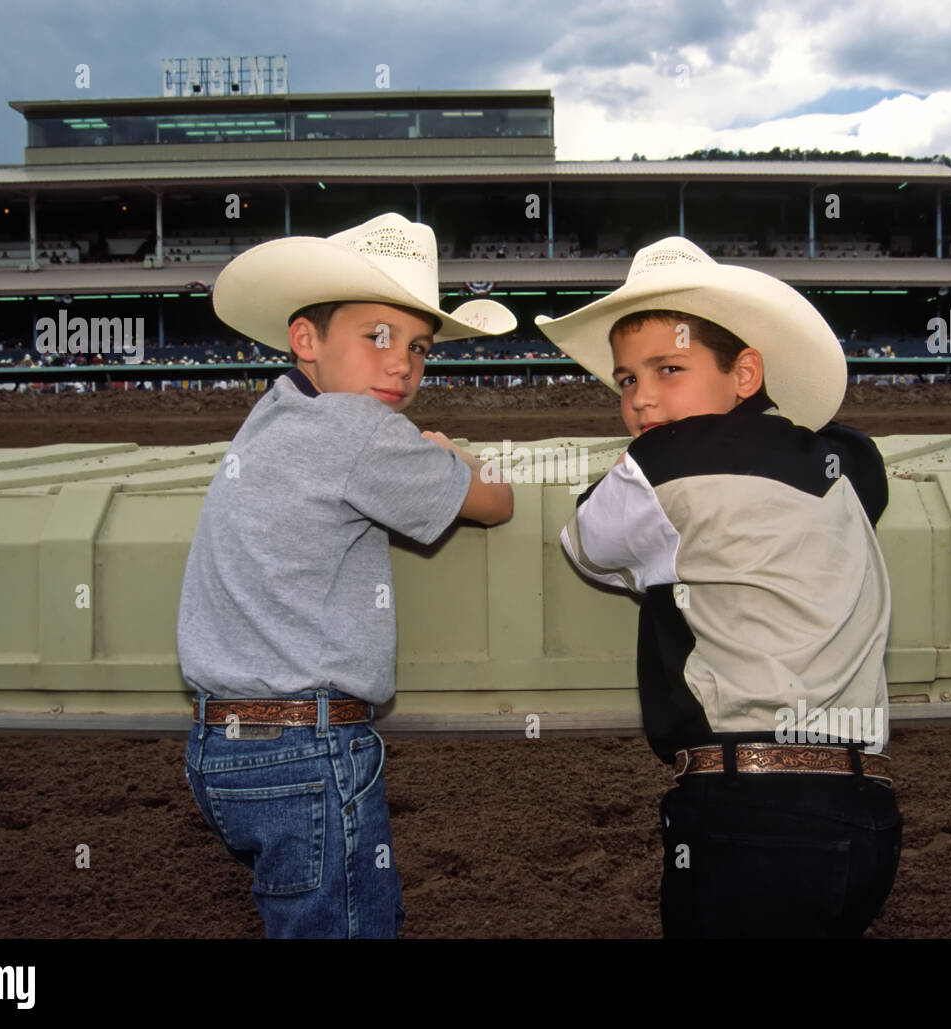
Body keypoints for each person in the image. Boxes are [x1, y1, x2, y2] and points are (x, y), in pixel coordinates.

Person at [538, 237, 902, 939]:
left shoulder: (664, 460)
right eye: (626, 381)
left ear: (745, 374)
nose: (641, 399)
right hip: (865, 814)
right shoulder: (852, 459)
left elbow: (587, 541)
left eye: (667, 369)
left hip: (747, 813)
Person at [178, 213, 516, 938]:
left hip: (220, 747)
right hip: (310, 748)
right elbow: (496, 501)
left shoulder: (269, 416)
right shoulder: (360, 430)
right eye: (379, 337)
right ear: (307, 339)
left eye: (420, 347)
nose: (403, 364)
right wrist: (452, 454)